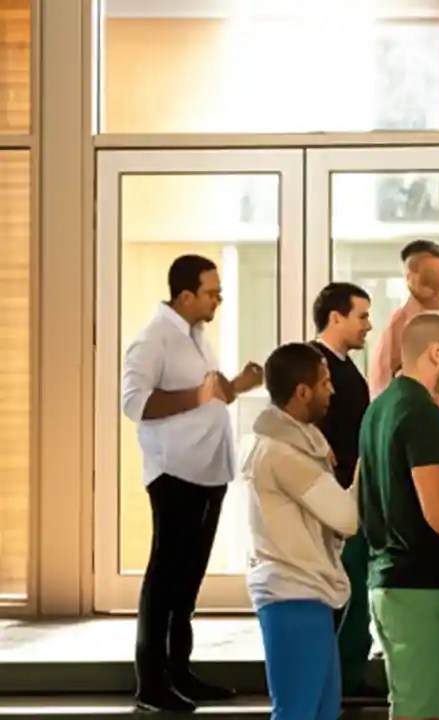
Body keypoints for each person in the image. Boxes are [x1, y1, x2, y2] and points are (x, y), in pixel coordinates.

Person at [121, 254, 263, 712]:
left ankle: (180, 672)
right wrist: (200, 394)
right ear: (185, 295)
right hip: (175, 474)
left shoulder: (196, 336)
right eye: (212, 292)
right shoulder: (153, 339)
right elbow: (135, 404)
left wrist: (236, 385)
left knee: (189, 578)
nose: (219, 298)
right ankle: (152, 682)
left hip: (208, 472)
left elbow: (210, 393)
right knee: (165, 577)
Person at [360, 312, 439, 720]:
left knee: (409, 707)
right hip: (424, 588)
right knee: (427, 712)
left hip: (387, 583)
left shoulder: (378, 409)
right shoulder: (423, 414)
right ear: (436, 352)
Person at [244, 343, 358, 720]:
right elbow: (346, 517)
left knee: (322, 712)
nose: (333, 390)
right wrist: (364, 471)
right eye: (325, 382)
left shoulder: (291, 445)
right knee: (297, 713)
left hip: (308, 594)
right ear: (302, 392)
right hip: (292, 595)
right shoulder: (283, 454)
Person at [369, 239, 439, 511]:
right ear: (410, 277)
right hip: (417, 447)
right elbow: (382, 386)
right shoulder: (400, 325)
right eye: (425, 274)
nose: (434, 283)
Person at [309, 282, 376, 700]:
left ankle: (349, 674)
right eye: (362, 316)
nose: (368, 326)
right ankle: (335, 677)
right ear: (336, 318)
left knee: (355, 581)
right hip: (331, 498)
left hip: (353, 493)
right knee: (341, 584)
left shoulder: (347, 367)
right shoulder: (312, 364)